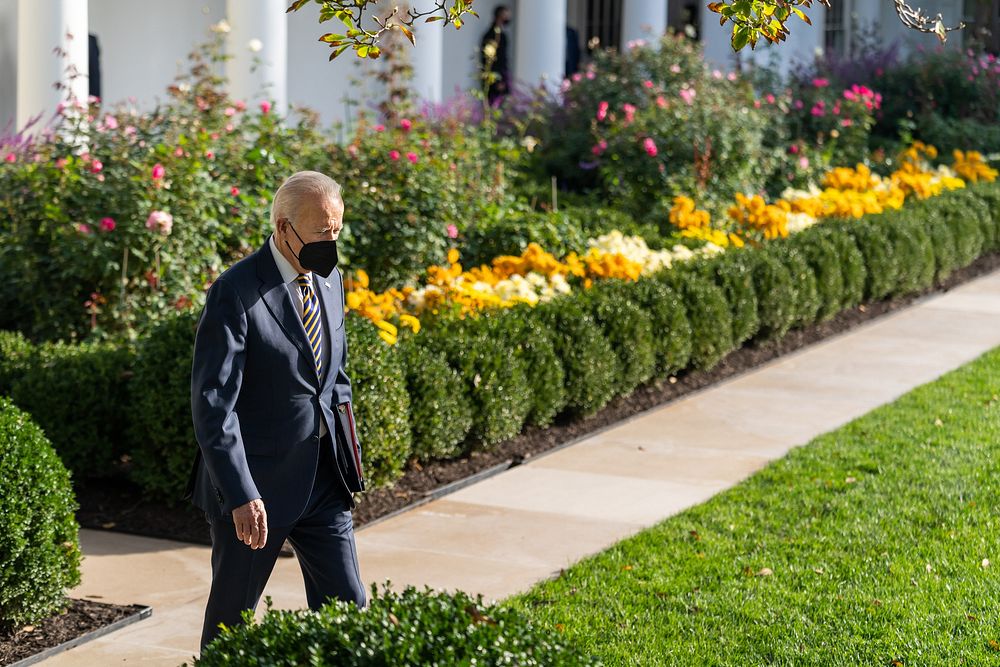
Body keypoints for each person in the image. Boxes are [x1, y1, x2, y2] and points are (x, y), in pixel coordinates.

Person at [185, 170, 367, 651]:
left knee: (350, 611)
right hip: (257, 492)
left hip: (324, 482)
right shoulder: (236, 291)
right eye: (321, 231)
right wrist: (241, 494)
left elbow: (336, 378)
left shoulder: (331, 281)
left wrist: (349, 458)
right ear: (285, 228)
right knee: (231, 623)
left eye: (337, 231)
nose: (331, 241)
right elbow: (213, 404)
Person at [480, 4, 511, 106]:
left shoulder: (502, 35)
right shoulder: (491, 36)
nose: (508, 18)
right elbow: (489, 60)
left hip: (501, 77)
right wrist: (498, 81)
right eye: (505, 15)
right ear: (499, 16)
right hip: (495, 81)